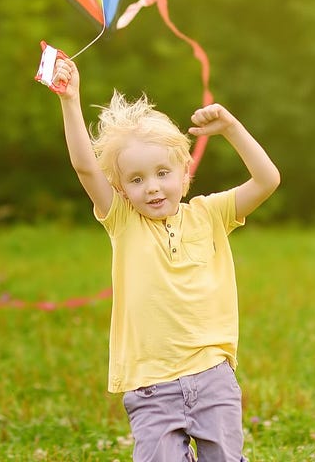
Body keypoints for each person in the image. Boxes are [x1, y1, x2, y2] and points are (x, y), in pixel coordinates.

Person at [51, 54, 280, 462]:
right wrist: (71, 100)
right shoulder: (123, 220)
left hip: (212, 376)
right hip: (151, 386)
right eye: (136, 180)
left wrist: (231, 129)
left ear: (185, 172)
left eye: (162, 173)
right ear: (120, 189)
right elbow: (85, 167)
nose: (152, 188)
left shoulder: (211, 213)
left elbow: (267, 179)